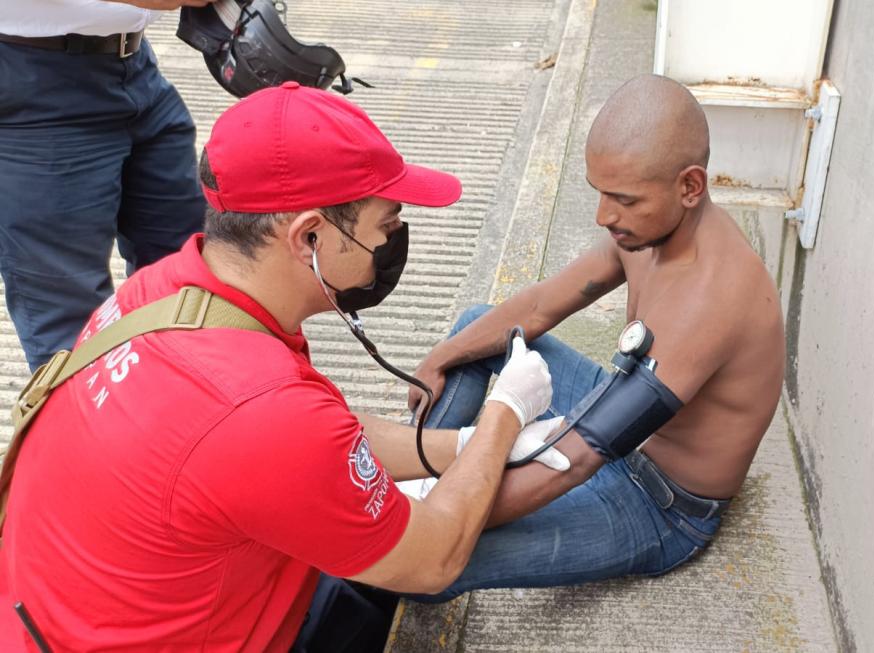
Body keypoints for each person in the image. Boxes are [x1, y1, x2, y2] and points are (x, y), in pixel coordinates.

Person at [0, 83, 565, 652]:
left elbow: (315, 440)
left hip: (48, 617)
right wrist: (504, 416)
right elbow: (434, 557)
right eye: (386, 224)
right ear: (310, 236)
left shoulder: (162, 291)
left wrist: (460, 445)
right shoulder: (260, 409)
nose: (394, 239)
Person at [408, 74, 786, 600]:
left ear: (690, 186)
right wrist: (438, 359)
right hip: (615, 421)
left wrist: (437, 521)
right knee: (478, 330)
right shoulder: (651, 229)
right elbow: (540, 305)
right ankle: (413, 466)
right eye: (601, 193)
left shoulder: (711, 298)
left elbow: (580, 456)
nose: (604, 216)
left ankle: (408, 507)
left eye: (624, 199)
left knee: (426, 564)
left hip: (659, 504)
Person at [0, 0, 211, 370]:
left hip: (132, 63)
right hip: (33, 79)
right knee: (73, 332)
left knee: (188, 274)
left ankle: (176, 412)